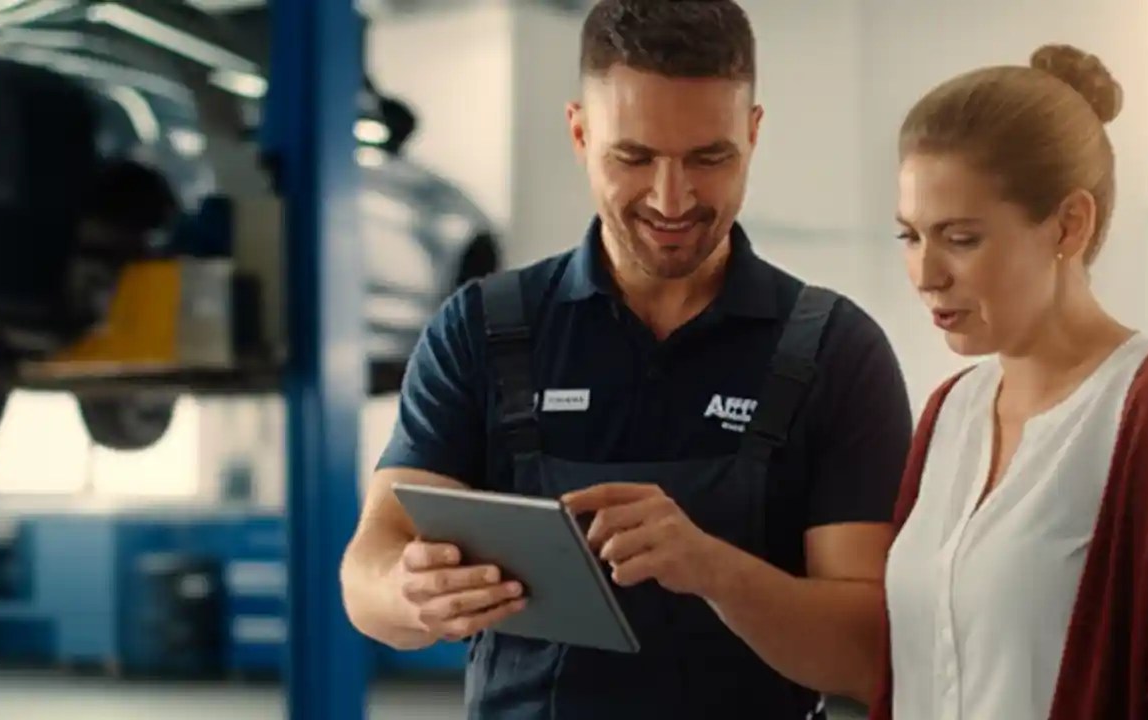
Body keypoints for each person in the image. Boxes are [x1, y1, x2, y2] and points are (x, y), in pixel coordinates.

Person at [340, 1, 913, 718]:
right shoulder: (483, 330)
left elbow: (866, 659)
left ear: (753, 133)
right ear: (580, 132)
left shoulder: (834, 351)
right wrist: (409, 592)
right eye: (634, 158)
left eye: (708, 158)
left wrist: (715, 571)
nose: (671, 199)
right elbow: (367, 577)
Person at [873, 43, 1148, 720]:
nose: (926, 274)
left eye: (960, 238)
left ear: (1069, 225)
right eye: (910, 236)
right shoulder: (949, 412)